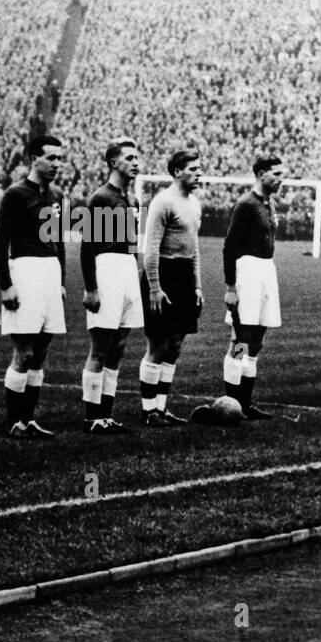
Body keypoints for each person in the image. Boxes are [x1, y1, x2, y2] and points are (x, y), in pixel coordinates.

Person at [0, 134, 67, 440]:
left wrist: (62, 280)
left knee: (41, 352)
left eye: (59, 159)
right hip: (24, 270)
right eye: (50, 158)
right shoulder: (15, 194)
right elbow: (0, 243)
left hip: (50, 273)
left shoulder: (56, 195)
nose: (56, 164)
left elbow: (58, 240)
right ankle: (15, 422)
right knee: (23, 353)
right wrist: (6, 285)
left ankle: (28, 419)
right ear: (33, 158)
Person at [79, 138, 144, 434]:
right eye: (129, 158)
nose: (135, 162)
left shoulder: (132, 200)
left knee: (118, 346)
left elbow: (132, 245)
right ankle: (93, 416)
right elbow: (87, 247)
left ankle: (106, 413)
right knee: (100, 347)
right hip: (106, 270)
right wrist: (91, 288)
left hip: (128, 269)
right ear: (113, 163)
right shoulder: (100, 198)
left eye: (136, 158)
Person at [138, 148, 203, 427]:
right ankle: (149, 409)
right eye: (193, 169)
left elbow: (195, 247)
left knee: (175, 344)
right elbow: (150, 248)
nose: (199, 173)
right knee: (158, 343)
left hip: (185, 277)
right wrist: (154, 286)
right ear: (177, 171)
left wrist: (197, 285)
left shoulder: (195, 202)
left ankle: (162, 408)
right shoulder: (163, 201)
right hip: (164, 274)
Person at [220, 154, 285, 420]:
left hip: (266, 269)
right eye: (277, 174)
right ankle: (232, 402)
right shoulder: (246, 204)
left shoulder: (268, 203)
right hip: (247, 271)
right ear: (260, 174)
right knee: (240, 339)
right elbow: (229, 246)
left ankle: (245, 403)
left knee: (256, 340)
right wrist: (231, 287)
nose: (282, 179)